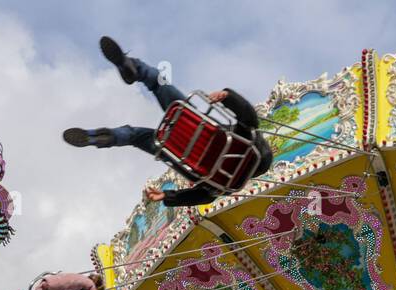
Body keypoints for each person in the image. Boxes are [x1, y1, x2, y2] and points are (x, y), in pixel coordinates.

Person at [63, 37, 273, 208]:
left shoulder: (248, 138)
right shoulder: (223, 187)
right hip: (176, 151)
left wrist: (226, 96)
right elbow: (201, 198)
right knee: (136, 136)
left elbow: (249, 117)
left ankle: (133, 67)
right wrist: (166, 196)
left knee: (157, 81)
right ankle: (103, 137)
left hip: (192, 123)